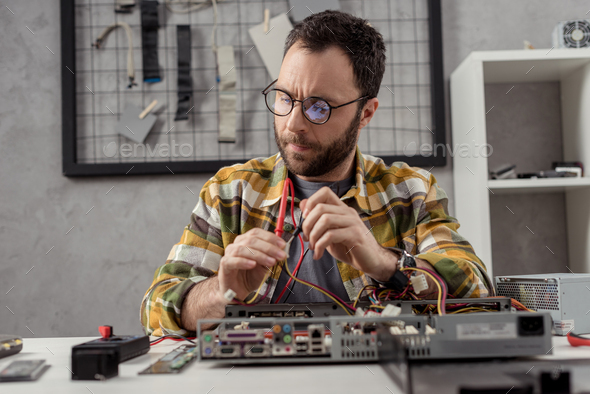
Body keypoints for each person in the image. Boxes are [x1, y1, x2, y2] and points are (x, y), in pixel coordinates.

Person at [141, 10, 491, 337]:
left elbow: (477, 291)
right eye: (284, 98)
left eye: (318, 107)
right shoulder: (231, 192)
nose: (293, 124)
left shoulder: (411, 192)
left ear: (366, 113)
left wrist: (386, 265)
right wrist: (224, 290)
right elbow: (156, 307)